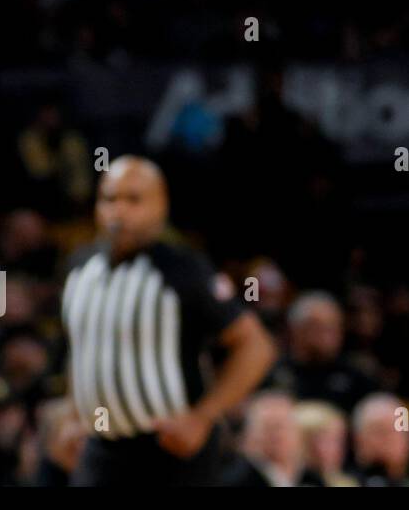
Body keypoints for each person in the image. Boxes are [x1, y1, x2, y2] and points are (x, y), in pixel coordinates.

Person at [62, 155, 276, 486]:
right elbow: (81, 351)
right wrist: (74, 415)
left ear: (161, 206)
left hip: (168, 452)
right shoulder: (79, 269)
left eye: (134, 200)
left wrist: (203, 417)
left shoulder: (182, 270)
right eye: (109, 199)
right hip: (101, 448)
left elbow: (256, 346)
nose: (119, 211)